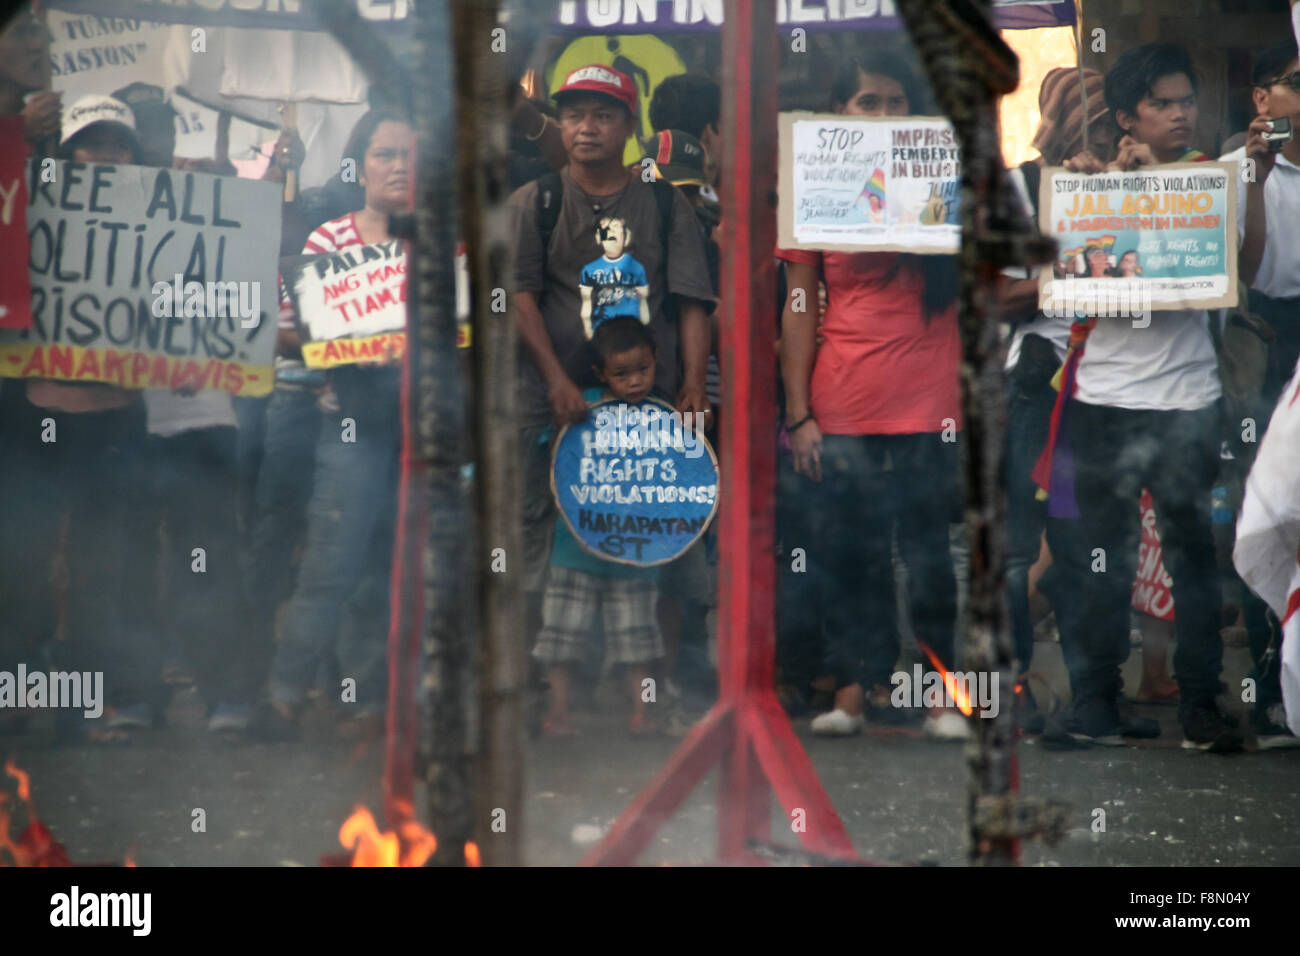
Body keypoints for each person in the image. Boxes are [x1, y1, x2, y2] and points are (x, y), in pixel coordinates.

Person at [508, 64, 716, 720]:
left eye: (602, 115)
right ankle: (543, 693)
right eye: (572, 114)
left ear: (629, 127)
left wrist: (689, 386)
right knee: (541, 545)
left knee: (658, 535)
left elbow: (692, 300)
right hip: (552, 406)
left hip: (645, 407)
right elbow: (519, 299)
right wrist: (557, 380)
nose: (585, 127)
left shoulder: (661, 202)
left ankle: (648, 694)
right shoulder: (536, 200)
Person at [778, 48, 966, 741]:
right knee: (849, 551)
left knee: (928, 556)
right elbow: (797, 306)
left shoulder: (949, 171)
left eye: (894, 103)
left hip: (931, 399)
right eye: (867, 104)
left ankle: (945, 697)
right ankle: (856, 691)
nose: (883, 116)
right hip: (843, 397)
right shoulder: (809, 183)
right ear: (837, 113)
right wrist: (798, 412)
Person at [1064, 43, 1239, 751]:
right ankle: (1094, 704)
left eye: (1186, 100)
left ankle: (1201, 706)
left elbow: (1231, 252)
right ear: (1127, 116)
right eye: (1162, 103)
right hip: (1102, 395)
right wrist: (1091, 191)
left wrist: (1152, 181)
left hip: (1187, 396)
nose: (1179, 113)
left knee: (1193, 555)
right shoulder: (1091, 182)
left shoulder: (1208, 178)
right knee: (1097, 556)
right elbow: (1066, 277)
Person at [0, 96, 156, 743]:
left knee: (100, 566)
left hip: (114, 419)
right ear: (65, 152)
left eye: (118, 144)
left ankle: (82, 707)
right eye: (90, 142)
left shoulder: (155, 219)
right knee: (24, 561)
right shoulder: (28, 206)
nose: (105, 155)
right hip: (36, 414)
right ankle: (20, 696)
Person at [260, 110, 414, 740]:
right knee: (330, 561)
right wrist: (342, 340)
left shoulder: (449, 245)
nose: (400, 166)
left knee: (392, 563)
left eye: (411, 155)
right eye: (385, 155)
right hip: (347, 423)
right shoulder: (327, 241)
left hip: (421, 431)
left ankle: (368, 698)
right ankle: (285, 692)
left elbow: (473, 336)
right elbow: (283, 334)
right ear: (361, 165)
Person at [998, 66, 1115, 732]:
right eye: (1086, 121)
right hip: (1039, 387)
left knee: (1086, 546)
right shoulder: (1021, 187)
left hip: (1105, 387)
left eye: (1104, 123)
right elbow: (991, 293)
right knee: (1018, 549)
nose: (1092, 136)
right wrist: (1065, 282)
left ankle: (1093, 702)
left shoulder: (1126, 185)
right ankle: (1013, 698)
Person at [1219, 35, 1300, 747]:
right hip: (1264, 345)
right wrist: (1255, 174)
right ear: (1263, 97)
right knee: (1268, 512)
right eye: (1296, 83)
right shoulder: (1229, 172)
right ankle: (1274, 689)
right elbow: (1241, 275)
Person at [534, 318, 667, 736]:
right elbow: (554, 452)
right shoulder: (583, 406)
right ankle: (558, 711)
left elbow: (683, 466)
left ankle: (643, 711)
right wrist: (563, 425)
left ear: (656, 362)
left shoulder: (662, 415)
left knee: (639, 642)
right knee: (561, 637)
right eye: (621, 374)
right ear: (600, 374)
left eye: (642, 370)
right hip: (575, 544)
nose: (634, 382)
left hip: (636, 551)